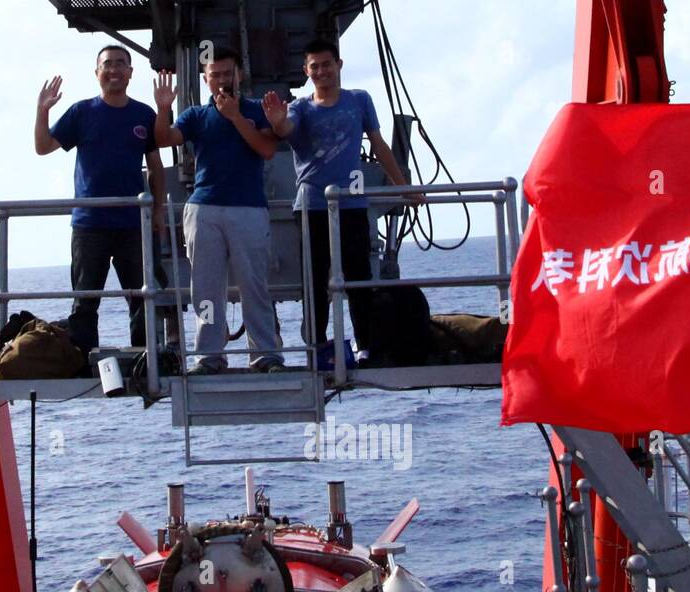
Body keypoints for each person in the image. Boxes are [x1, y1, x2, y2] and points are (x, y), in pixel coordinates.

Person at [262, 38, 410, 364]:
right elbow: (286, 129)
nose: (321, 71)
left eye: (326, 64)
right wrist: (276, 122)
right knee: (315, 282)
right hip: (312, 207)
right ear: (306, 71)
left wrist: (404, 187)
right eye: (314, 67)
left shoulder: (359, 101)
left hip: (353, 204)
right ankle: (317, 347)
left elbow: (379, 145)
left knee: (358, 278)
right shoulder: (300, 107)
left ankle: (366, 346)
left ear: (338, 65)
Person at [34, 45, 179, 357]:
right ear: (97, 72)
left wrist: (157, 212)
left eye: (120, 64)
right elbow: (43, 147)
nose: (114, 70)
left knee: (143, 297)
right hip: (90, 225)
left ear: (130, 73)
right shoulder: (81, 112)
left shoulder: (143, 114)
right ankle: (84, 360)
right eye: (107, 64)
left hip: (133, 225)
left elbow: (155, 167)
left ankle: (145, 359)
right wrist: (42, 109)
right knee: (85, 301)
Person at [152, 49, 283, 375]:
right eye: (216, 75)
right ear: (206, 79)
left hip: (249, 209)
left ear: (238, 75)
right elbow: (164, 138)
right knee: (206, 290)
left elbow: (267, 150)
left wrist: (236, 117)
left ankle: (266, 356)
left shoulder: (256, 111)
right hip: (204, 209)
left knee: (255, 287)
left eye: (228, 73)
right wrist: (164, 108)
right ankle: (208, 358)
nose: (223, 80)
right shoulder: (196, 115)